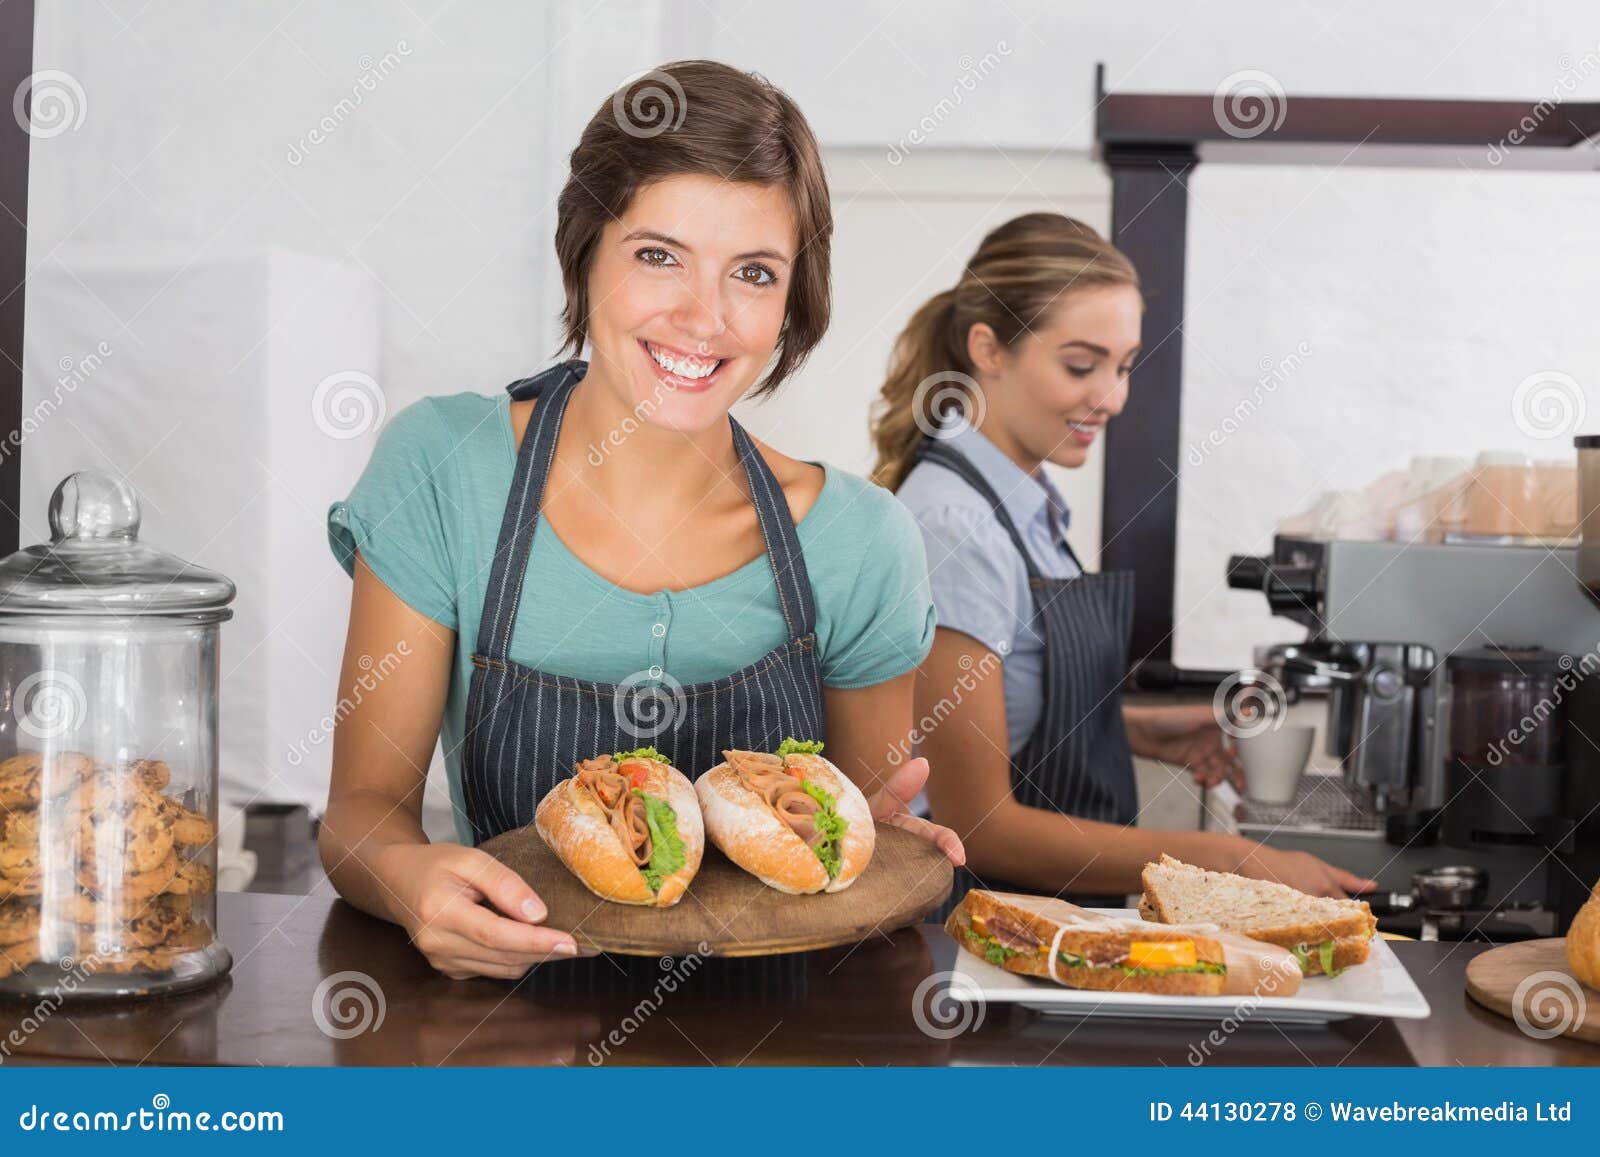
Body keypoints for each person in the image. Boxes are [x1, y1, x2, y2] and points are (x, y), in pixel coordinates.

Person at [320, 60, 962, 980]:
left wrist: (878, 845)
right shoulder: (443, 469)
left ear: (791, 303)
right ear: (583, 255)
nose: (704, 318)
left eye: (753, 272)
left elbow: (860, 847)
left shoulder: (862, 543)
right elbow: (358, 814)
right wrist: (404, 875)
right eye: (658, 255)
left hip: (777, 1058)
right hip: (513, 1040)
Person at [871, 212, 1372, 909]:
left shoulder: (1025, 499)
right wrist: (1231, 858)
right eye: (1081, 365)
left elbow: (1007, 708)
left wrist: (1129, 727)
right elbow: (977, 824)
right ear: (988, 348)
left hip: (1038, 909)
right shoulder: (957, 524)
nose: (1110, 397)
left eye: (1124, 366)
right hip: (970, 917)